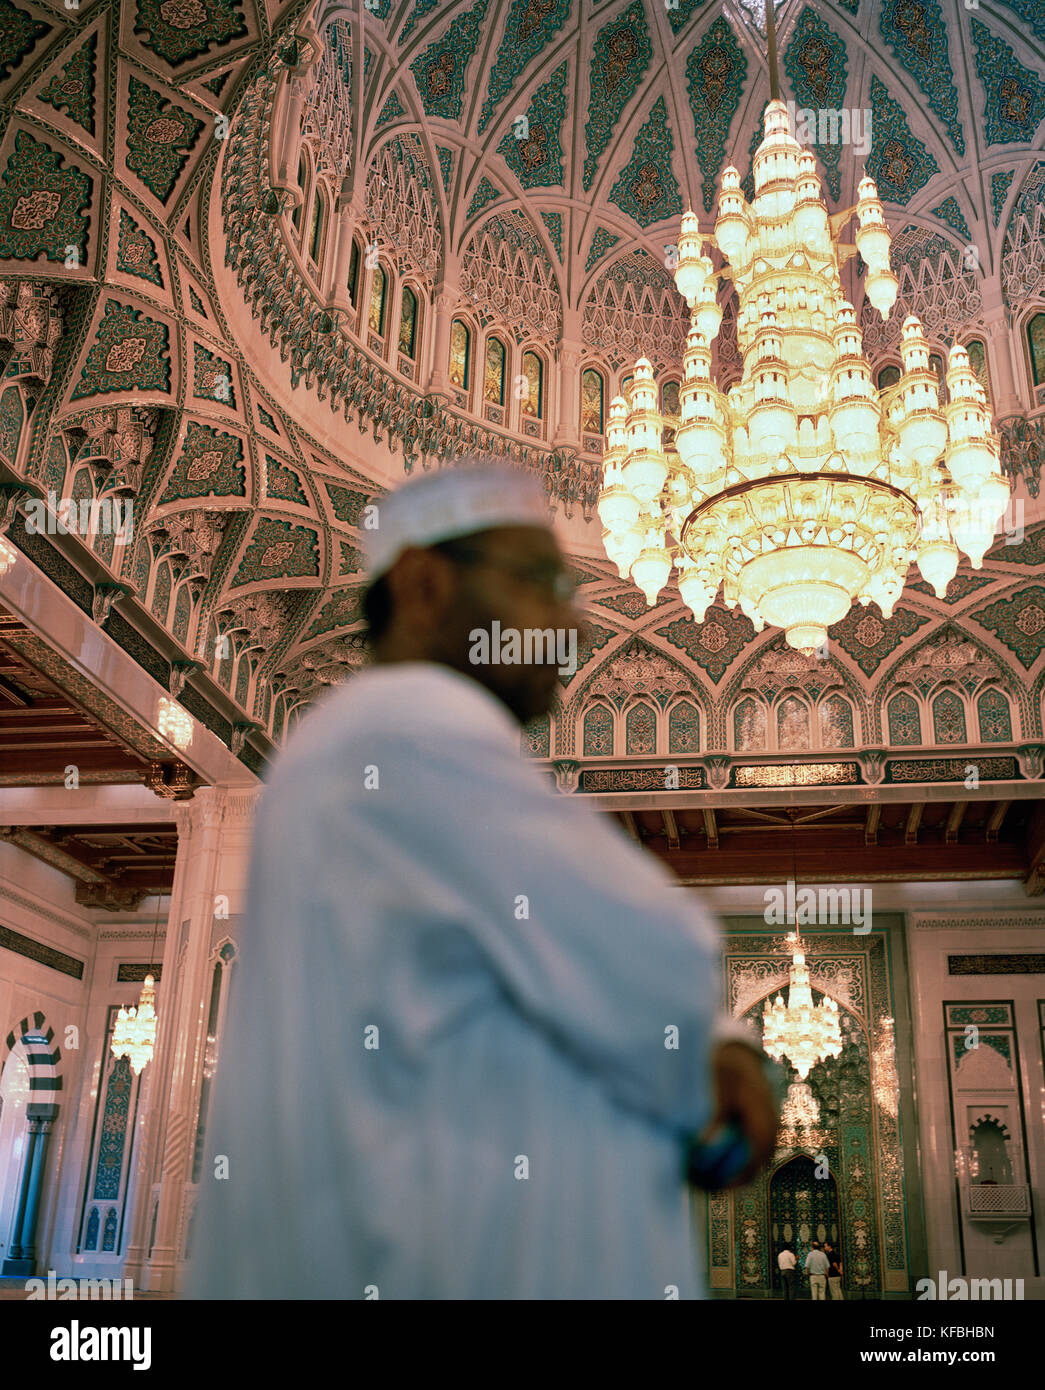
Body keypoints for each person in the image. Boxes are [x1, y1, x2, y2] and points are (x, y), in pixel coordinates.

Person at [187, 461, 778, 1299]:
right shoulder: (406, 730)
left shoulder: (353, 745)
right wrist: (723, 1049)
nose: (573, 626)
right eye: (540, 583)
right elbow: (656, 959)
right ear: (425, 584)